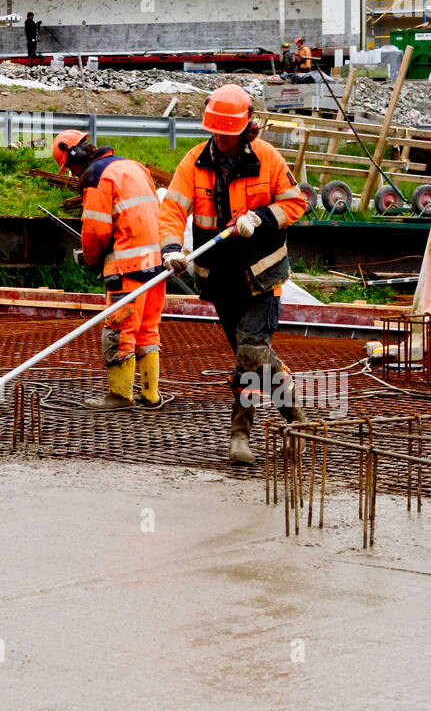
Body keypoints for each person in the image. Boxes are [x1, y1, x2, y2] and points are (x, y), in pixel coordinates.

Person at [158, 84, 308, 465]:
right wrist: (172, 249)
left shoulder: (267, 158)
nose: (222, 140)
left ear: (245, 128)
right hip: (221, 280)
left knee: (250, 353)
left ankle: (240, 434)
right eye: (217, 132)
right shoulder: (193, 163)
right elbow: (172, 211)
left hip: (262, 276)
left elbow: (296, 202)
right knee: (254, 358)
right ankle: (296, 417)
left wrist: (262, 218)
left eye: (229, 133)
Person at [53, 129, 165, 410]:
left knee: (120, 328)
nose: (75, 174)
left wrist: (90, 258)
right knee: (147, 329)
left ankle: (119, 395)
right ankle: (150, 395)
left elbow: (95, 230)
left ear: (76, 155)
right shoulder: (133, 166)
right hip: (156, 263)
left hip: (126, 265)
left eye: (72, 168)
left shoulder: (97, 175)